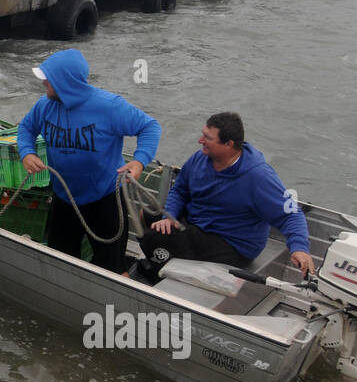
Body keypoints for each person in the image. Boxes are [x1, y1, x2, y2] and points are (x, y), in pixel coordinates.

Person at [18, 49, 162, 273]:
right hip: (64, 198)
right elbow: (26, 127)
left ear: (66, 81)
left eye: (49, 79)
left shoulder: (110, 106)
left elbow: (150, 126)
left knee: (111, 268)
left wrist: (139, 161)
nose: (44, 83)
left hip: (105, 199)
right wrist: (27, 152)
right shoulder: (44, 105)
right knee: (61, 262)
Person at [130, 111, 314, 283]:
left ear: (229, 144)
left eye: (208, 138)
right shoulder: (199, 158)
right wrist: (168, 216)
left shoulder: (259, 177)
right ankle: (160, 259)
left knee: (156, 238)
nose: (200, 140)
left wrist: (299, 248)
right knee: (149, 214)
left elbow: (291, 213)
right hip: (200, 222)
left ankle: (153, 276)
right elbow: (179, 190)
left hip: (231, 242)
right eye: (203, 134)